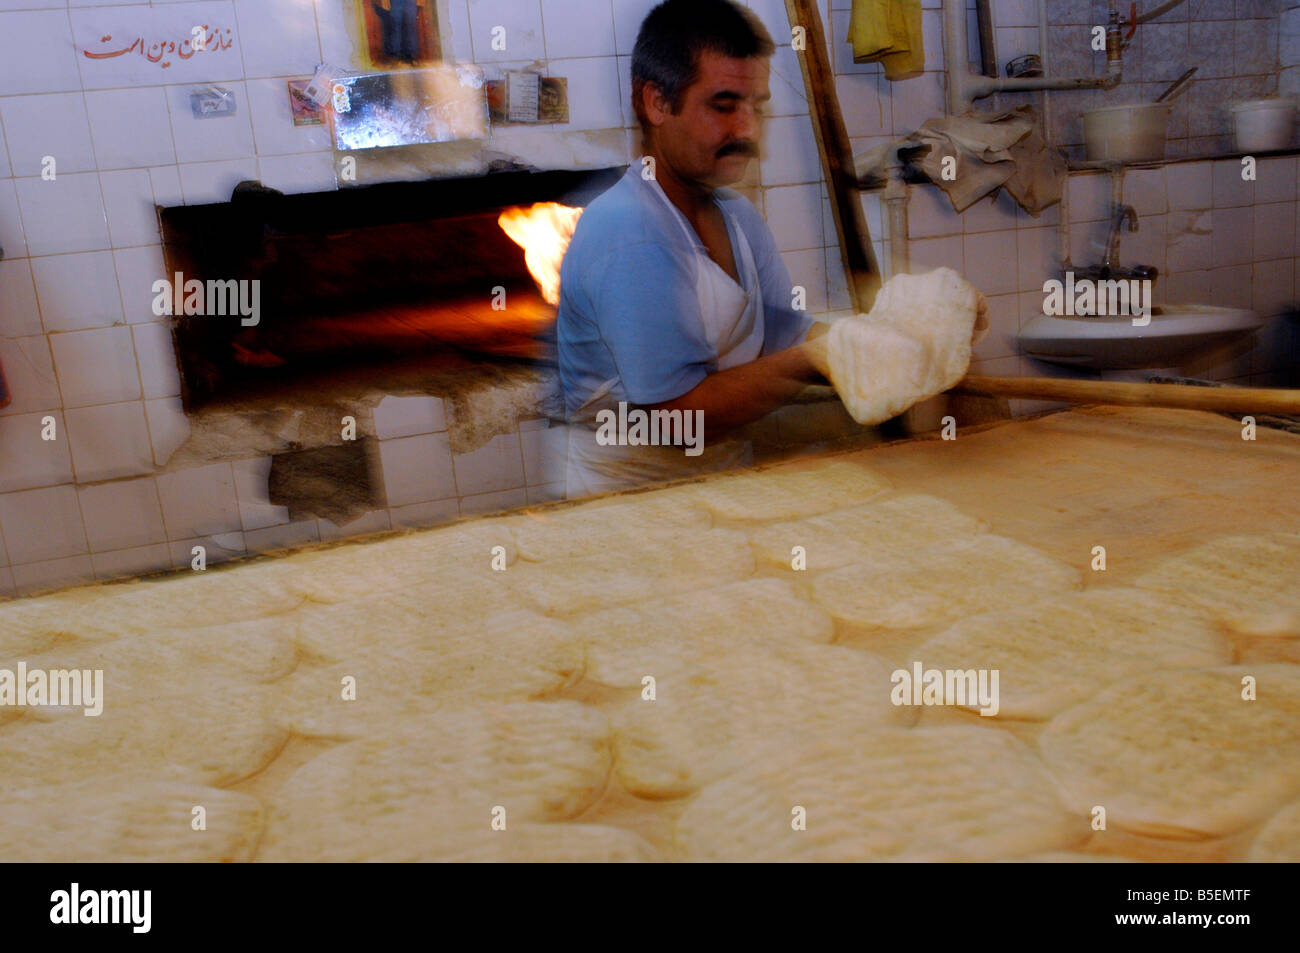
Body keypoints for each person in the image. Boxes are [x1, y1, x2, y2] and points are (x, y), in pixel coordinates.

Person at [555, 0, 829, 496]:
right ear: (657, 103)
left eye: (756, 108)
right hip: (628, 510)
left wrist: (888, 338)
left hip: (723, 484)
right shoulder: (627, 230)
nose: (746, 129)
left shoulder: (738, 218)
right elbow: (678, 421)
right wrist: (822, 358)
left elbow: (786, 336)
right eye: (723, 106)